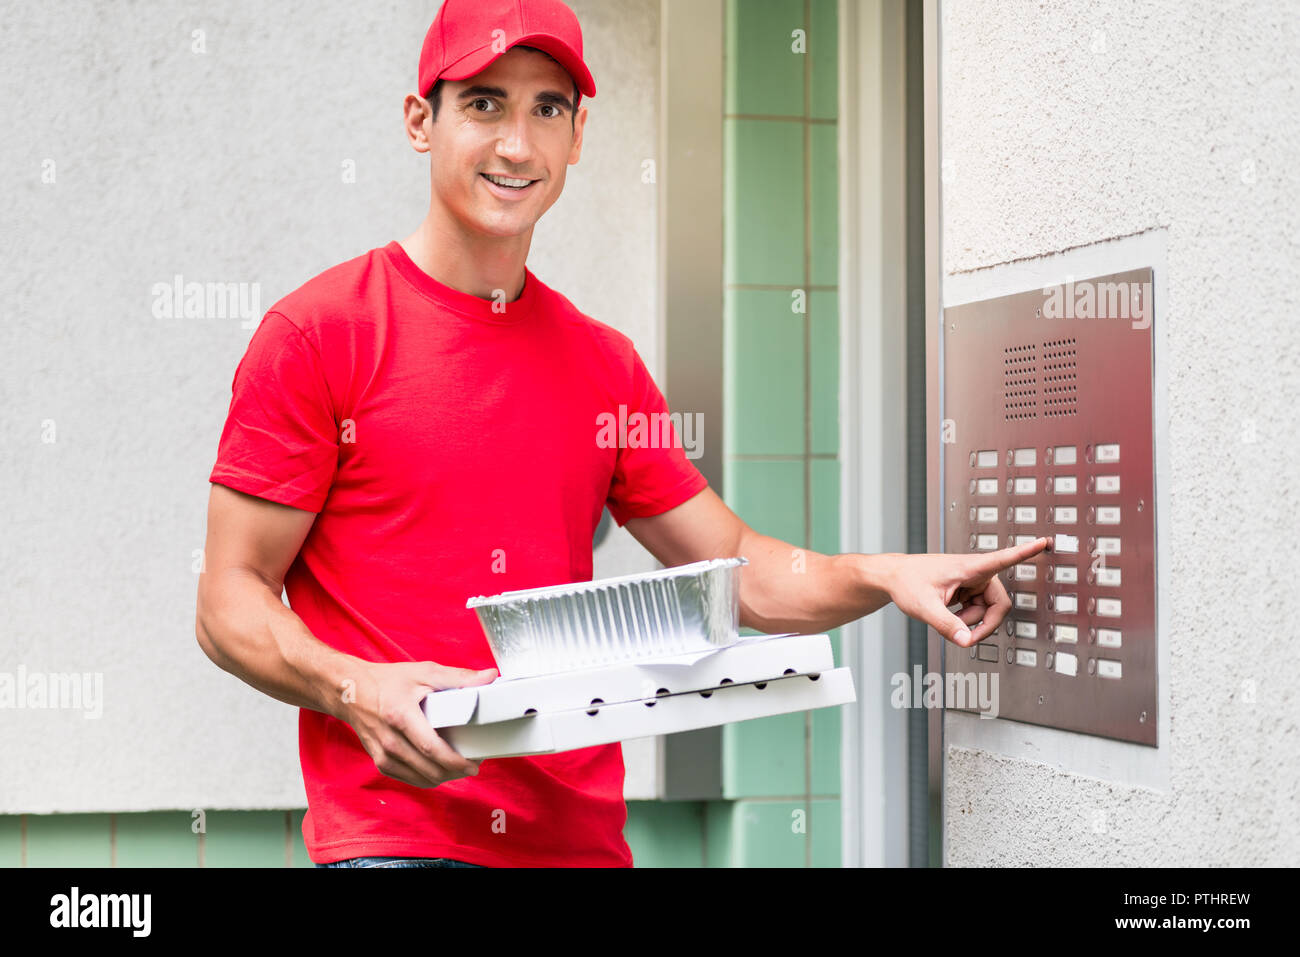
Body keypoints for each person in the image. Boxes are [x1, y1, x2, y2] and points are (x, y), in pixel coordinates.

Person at [194, 0, 1048, 868]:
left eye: (547, 108)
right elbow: (228, 598)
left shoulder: (602, 364)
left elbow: (737, 571)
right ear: (422, 121)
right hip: (399, 839)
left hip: (583, 845)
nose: (517, 144)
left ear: (577, 135)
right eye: (484, 103)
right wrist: (354, 686)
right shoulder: (320, 334)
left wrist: (888, 573)